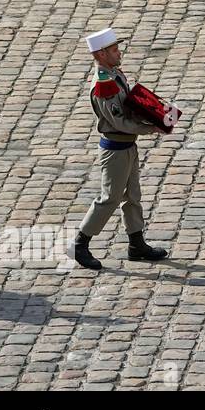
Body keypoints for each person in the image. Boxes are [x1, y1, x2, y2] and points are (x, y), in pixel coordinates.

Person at [73, 28, 170, 271]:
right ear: (101, 54)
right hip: (115, 149)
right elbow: (118, 121)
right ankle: (80, 244)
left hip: (126, 146)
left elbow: (128, 104)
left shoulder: (114, 73)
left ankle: (136, 244)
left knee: (133, 196)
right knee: (110, 198)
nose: (119, 52)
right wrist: (150, 128)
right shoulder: (104, 85)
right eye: (114, 49)